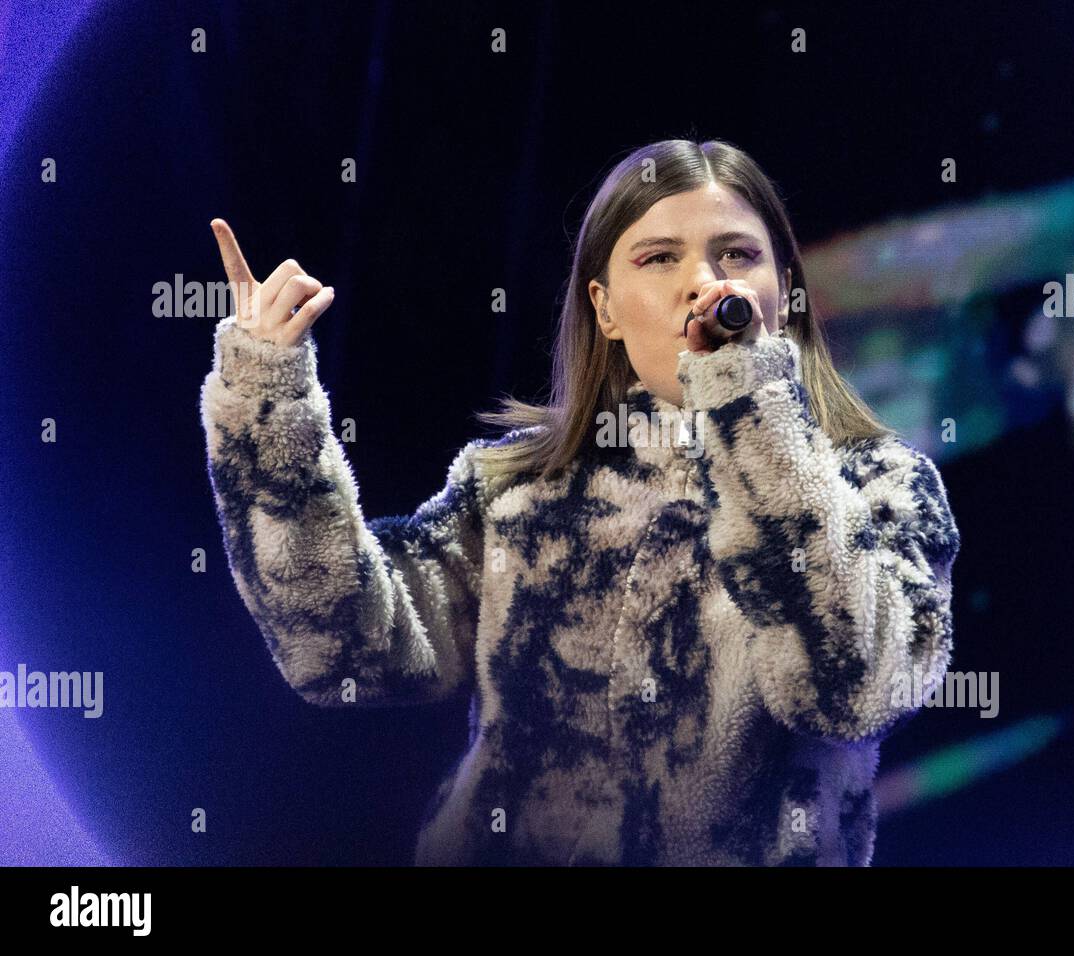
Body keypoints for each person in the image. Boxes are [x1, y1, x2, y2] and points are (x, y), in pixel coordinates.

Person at [199, 138, 961, 866]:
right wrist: (271, 400)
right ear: (605, 308)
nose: (705, 282)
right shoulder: (515, 489)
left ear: (784, 292)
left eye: (737, 255)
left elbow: (853, 691)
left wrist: (748, 409)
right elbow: (343, 650)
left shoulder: (881, 487)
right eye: (660, 258)